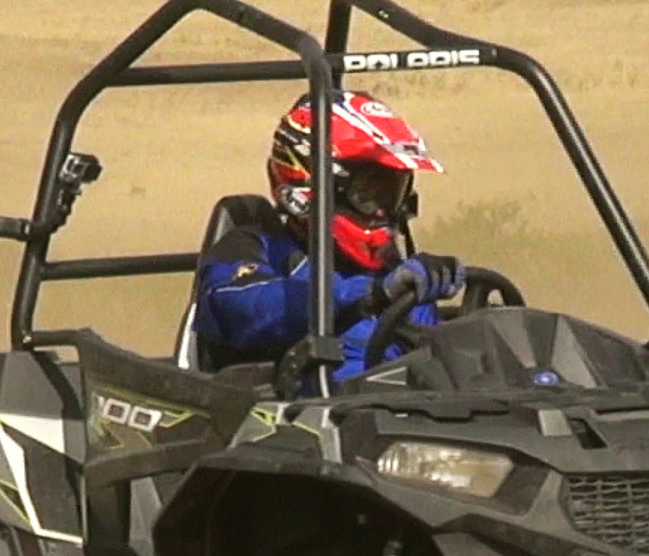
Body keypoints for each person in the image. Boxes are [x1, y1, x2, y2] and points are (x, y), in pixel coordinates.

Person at [193, 90, 465, 384]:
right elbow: (238, 309)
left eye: (393, 194)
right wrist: (367, 294)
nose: (384, 212)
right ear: (312, 186)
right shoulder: (254, 247)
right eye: (369, 194)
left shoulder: (395, 272)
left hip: (402, 414)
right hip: (301, 418)